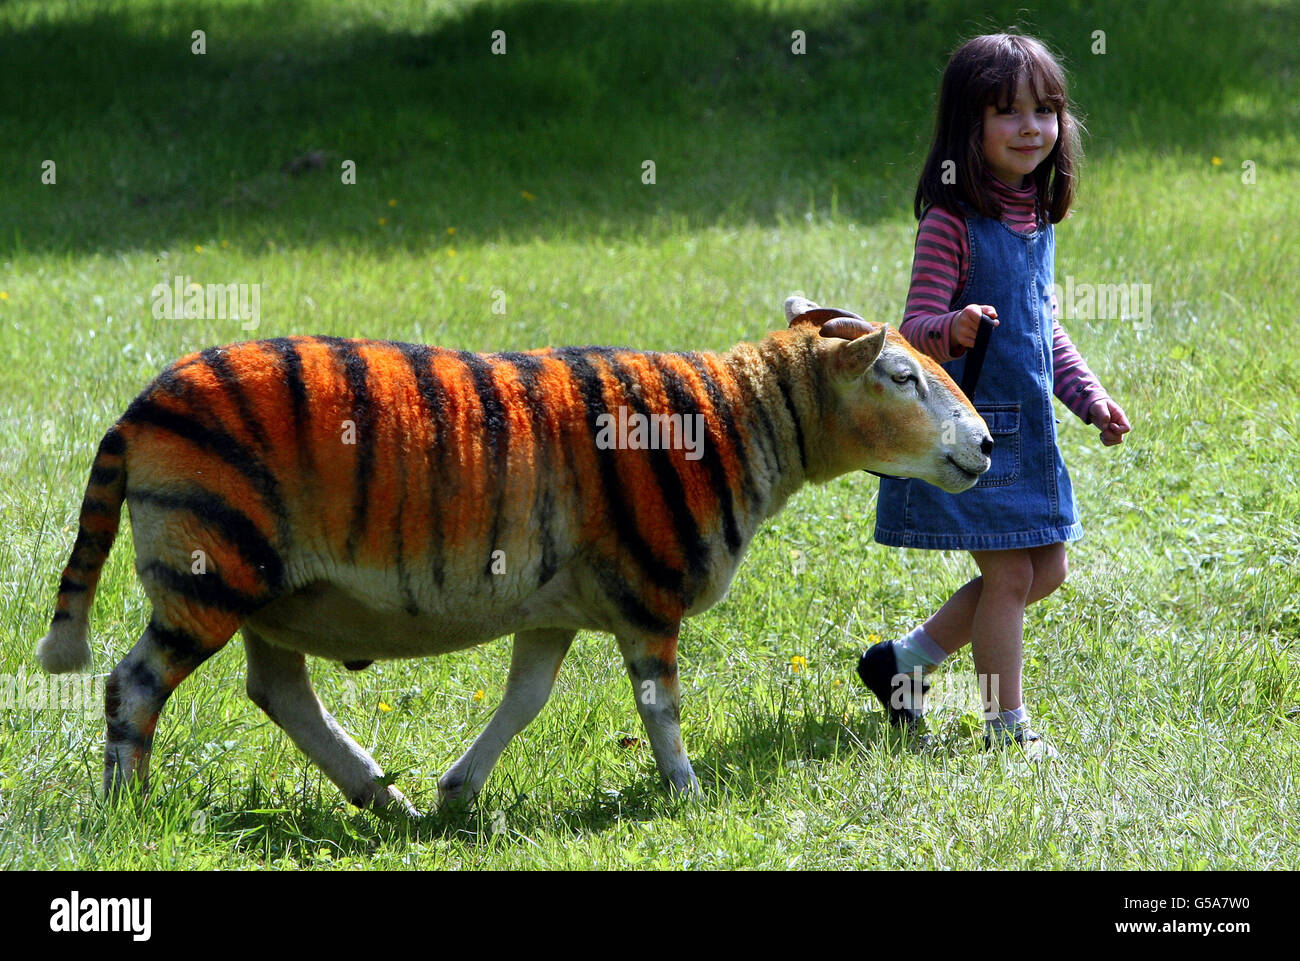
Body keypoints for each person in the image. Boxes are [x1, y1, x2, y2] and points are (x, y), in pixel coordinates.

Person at [857, 33, 1131, 759]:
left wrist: (1090, 397)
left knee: (1048, 569)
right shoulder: (953, 223)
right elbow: (914, 329)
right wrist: (958, 324)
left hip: (1027, 432)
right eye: (1007, 111)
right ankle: (1006, 727)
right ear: (967, 127)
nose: (1031, 127)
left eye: (1046, 110)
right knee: (1010, 574)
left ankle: (904, 664)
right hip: (967, 433)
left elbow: (1046, 330)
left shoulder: (1034, 217)